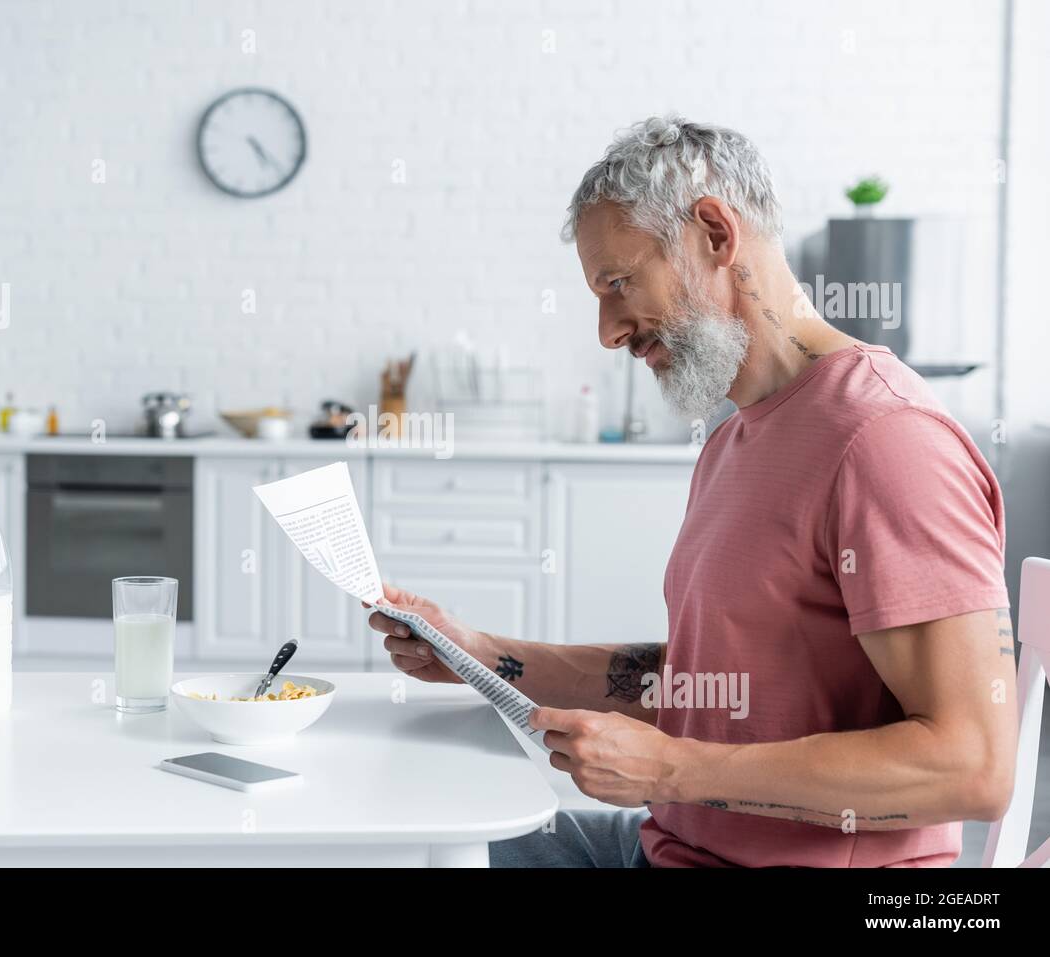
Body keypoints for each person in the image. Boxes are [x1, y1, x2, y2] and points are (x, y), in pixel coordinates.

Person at [367, 116, 1016, 867]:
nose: (609, 331)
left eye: (618, 284)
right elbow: (711, 685)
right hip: (673, 843)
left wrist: (672, 768)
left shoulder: (885, 438)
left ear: (714, 232)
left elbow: (973, 766)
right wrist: (481, 655)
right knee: (413, 847)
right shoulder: (734, 435)